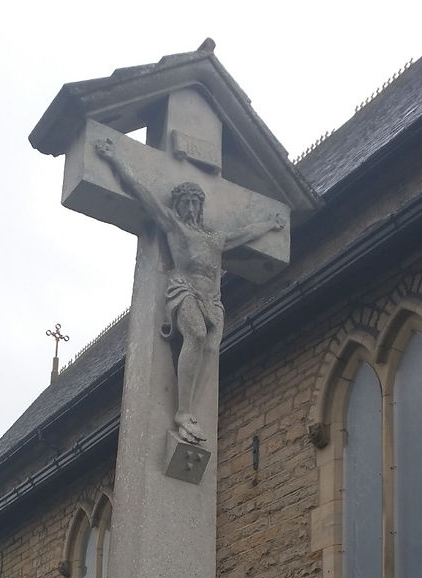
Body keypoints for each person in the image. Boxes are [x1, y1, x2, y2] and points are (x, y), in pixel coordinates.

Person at [95, 136, 285, 445]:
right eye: (187, 202)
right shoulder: (174, 226)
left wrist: (271, 224)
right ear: (179, 204)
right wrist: (114, 158)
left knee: (210, 350)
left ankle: (191, 408)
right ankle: (182, 412)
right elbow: (143, 191)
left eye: (196, 202)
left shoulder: (214, 238)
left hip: (213, 299)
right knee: (195, 335)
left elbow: (246, 234)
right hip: (184, 289)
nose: (192, 207)